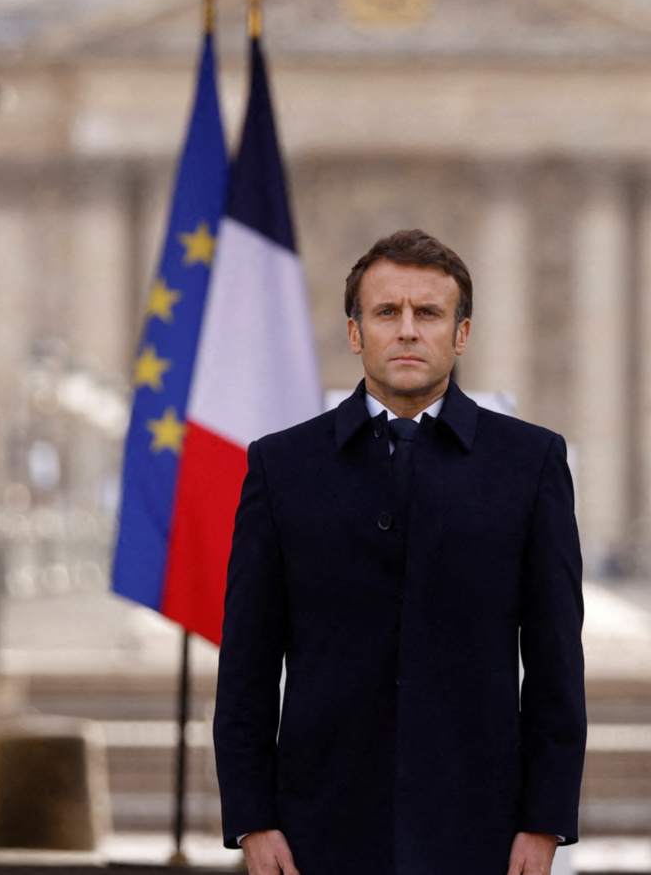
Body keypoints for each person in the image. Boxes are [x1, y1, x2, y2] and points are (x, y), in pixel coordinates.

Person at [213, 229, 586, 875]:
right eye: (387, 312)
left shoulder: (530, 463)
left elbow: (555, 663)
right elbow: (247, 664)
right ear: (356, 333)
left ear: (460, 334)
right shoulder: (282, 465)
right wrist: (253, 818)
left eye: (429, 313)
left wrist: (544, 821)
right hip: (315, 829)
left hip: (481, 827)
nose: (408, 330)